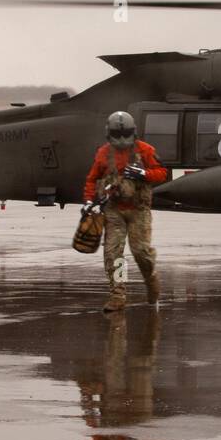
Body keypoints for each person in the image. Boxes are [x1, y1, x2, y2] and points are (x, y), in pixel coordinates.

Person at [82, 111, 167, 312]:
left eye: (125, 134)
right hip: (114, 210)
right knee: (114, 254)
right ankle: (118, 295)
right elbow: (92, 179)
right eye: (117, 134)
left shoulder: (145, 150)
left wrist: (144, 173)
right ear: (109, 133)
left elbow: (162, 173)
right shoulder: (103, 153)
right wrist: (87, 201)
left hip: (139, 210)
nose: (121, 139)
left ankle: (151, 279)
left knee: (141, 252)